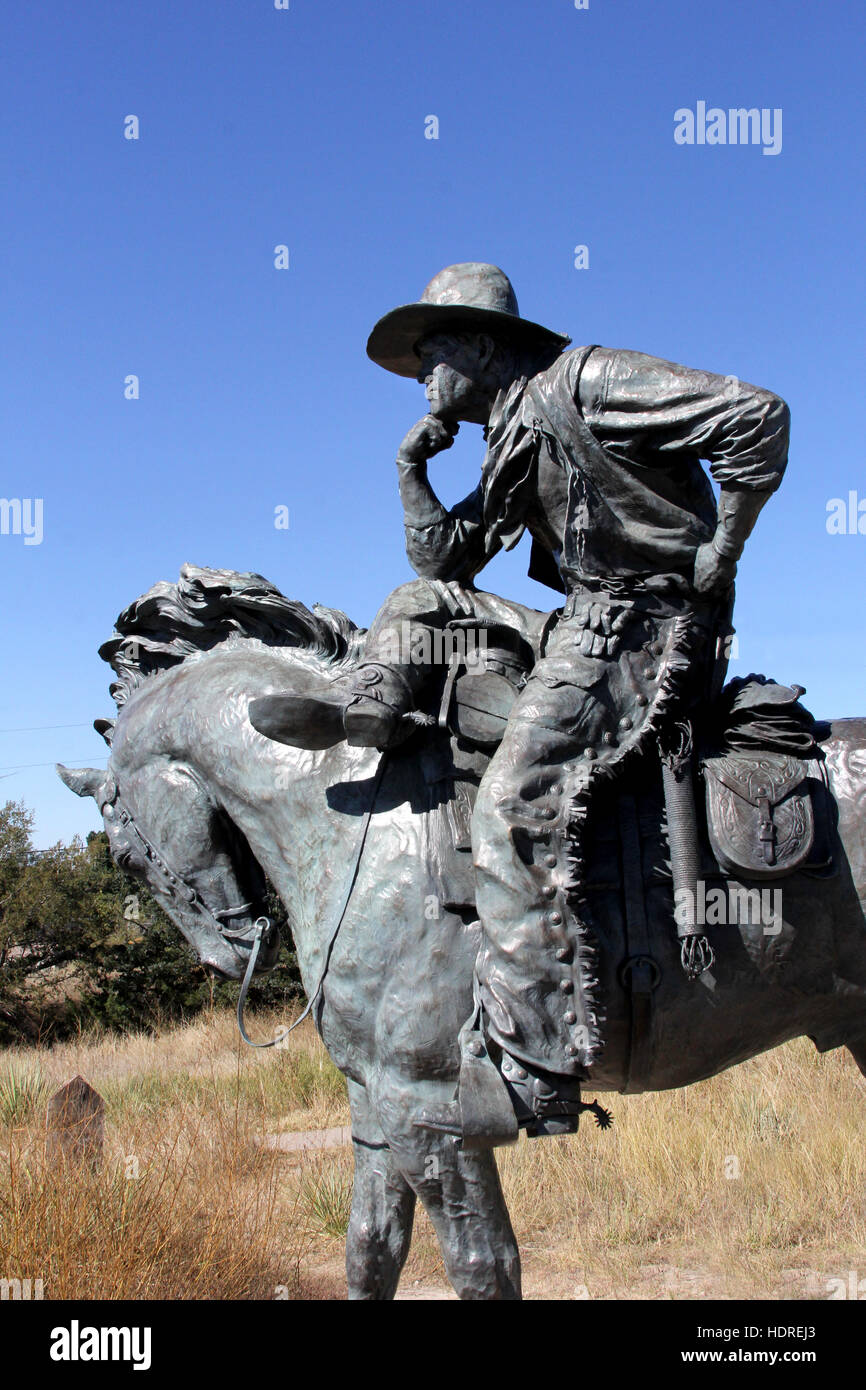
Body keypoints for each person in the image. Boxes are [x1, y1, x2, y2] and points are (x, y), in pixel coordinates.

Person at [252, 263, 789, 1139]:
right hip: (581, 621)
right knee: (419, 603)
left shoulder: (591, 381)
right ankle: (370, 706)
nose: (424, 380)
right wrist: (410, 467)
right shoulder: (510, 430)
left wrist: (724, 547)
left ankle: (540, 1068)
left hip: (652, 629)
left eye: (431, 359)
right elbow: (444, 562)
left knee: (511, 802)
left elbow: (757, 415)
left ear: (477, 343)